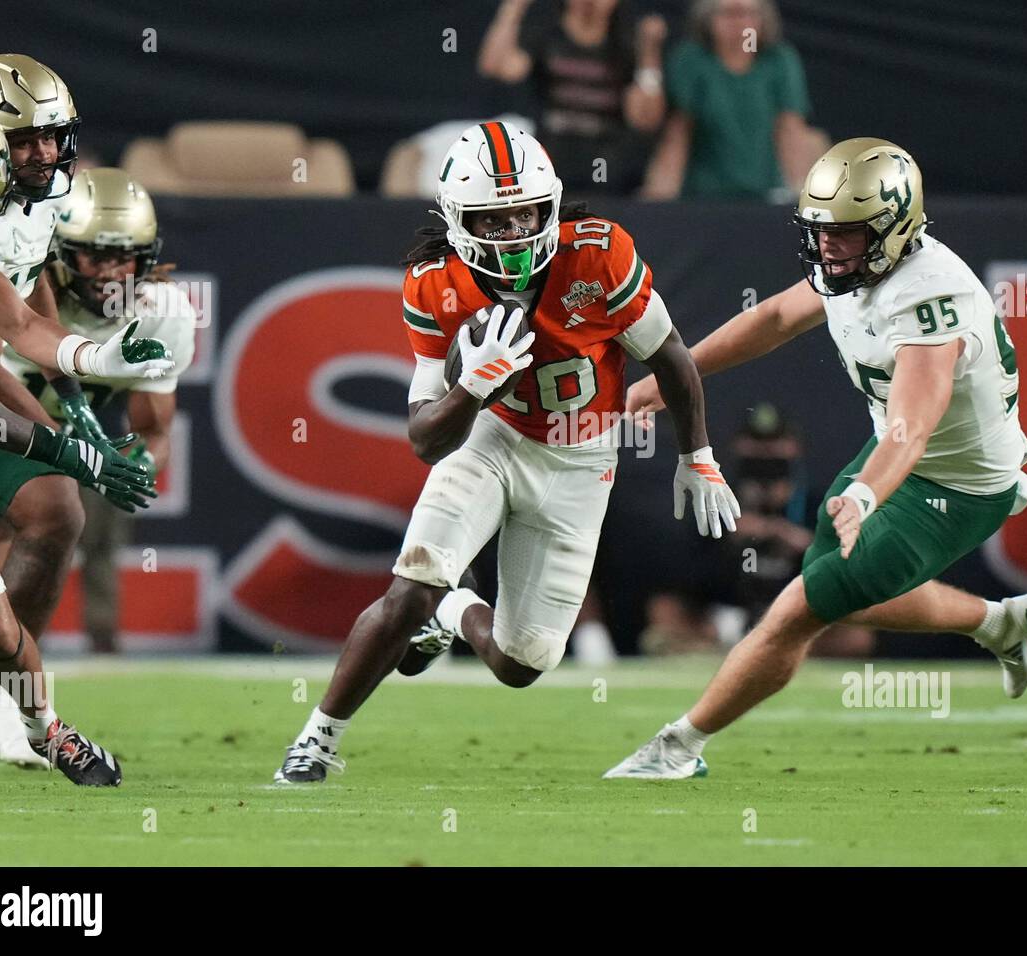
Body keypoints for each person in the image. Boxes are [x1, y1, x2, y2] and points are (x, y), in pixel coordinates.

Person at [273, 121, 739, 783]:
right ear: (461, 221)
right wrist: (472, 385)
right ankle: (317, 740)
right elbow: (426, 437)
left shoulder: (599, 255)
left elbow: (668, 355)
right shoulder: (435, 283)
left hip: (581, 459)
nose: (516, 232)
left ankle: (453, 609)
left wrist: (698, 455)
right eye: (495, 218)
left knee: (521, 664)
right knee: (410, 586)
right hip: (491, 442)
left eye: (526, 212)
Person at [606, 137, 1027, 780]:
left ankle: (679, 747)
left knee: (799, 608)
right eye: (820, 230)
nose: (828, 246)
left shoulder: (930, 300)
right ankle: (1003, 623)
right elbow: (777, 318)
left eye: (846, 233)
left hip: (954, 482)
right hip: (898, 458)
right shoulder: (854, 265)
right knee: (839, 591)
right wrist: (669, 380)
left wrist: (866, 493)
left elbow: (911, 428)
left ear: (896, 228)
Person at [0, 102, 173, 784]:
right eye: (28, 139)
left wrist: (75, 409)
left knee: (49, 523)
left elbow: (17, 322)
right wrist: (65, 445)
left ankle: (12, 711)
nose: (45, 154)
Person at [0, 168, 196, 657]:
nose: (110, 273)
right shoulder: (14, 290)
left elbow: (154, 429)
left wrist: (143, 464)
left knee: (91, 528)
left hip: (85, 443)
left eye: (123, 258)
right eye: (95, 256)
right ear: (59, 253)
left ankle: (36, 660)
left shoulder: (163, 314)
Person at [642, 0, 826, 201]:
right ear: (708, 18)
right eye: (729, 13)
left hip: (768, 194)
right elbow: (678, 133)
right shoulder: (691, 59)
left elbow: (791, 130)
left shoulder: (779, 59)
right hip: (703, 196)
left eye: (749, 13)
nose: (740, 22)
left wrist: (805, 198)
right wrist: (659, 200)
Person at [478, 0, 666, 194]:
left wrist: (650, 54)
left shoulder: (627, 45)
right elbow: (496, 66)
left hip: (608, 173)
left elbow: (645, 119)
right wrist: (513, 9)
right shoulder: (545, 36)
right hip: (550, 169)